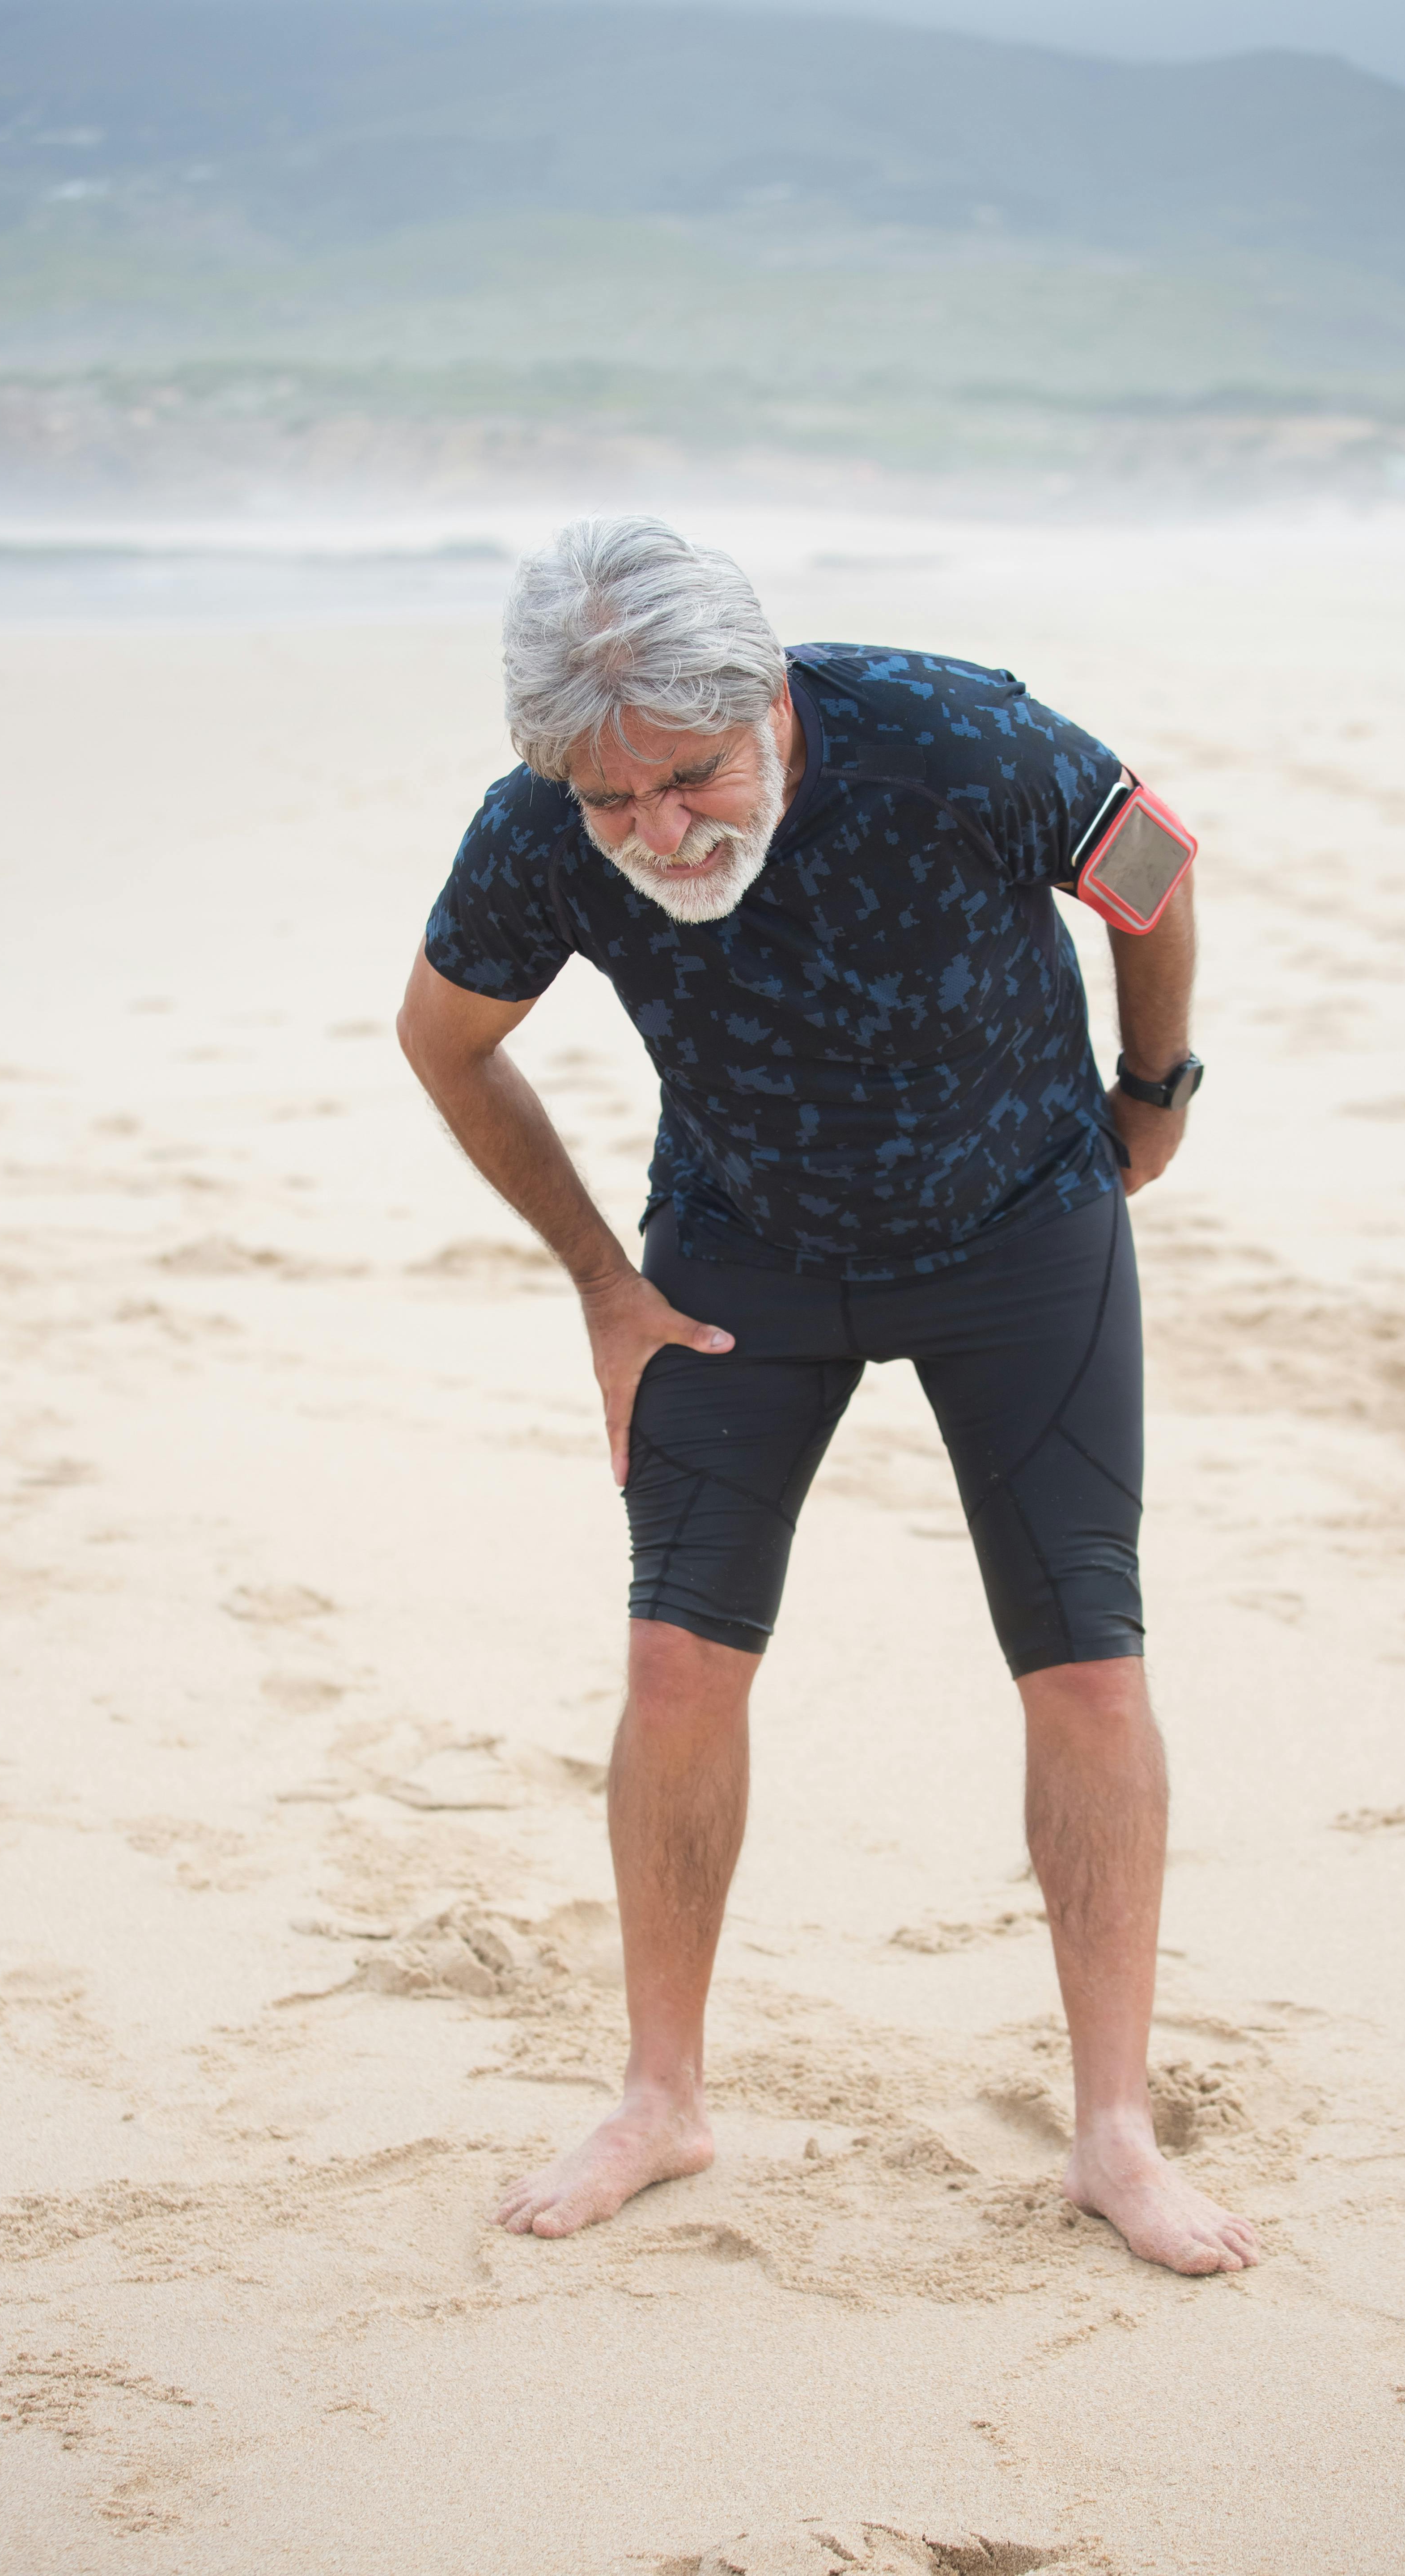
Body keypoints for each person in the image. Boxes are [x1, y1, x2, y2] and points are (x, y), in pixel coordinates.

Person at [397, 516, 1257, 2276]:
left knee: (1087, 1668)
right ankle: (661, 2096)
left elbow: (1154, 864)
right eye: (612, 802)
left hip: (1023, 1232)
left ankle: (1113, 2132)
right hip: (741, 1253)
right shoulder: (541, 825)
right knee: (674, 1662)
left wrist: (1154, 1090)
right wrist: (604, 1281)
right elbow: (445, 1040)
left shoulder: (957, 739)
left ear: (772, 702)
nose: (659, 832)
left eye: (692, 780)